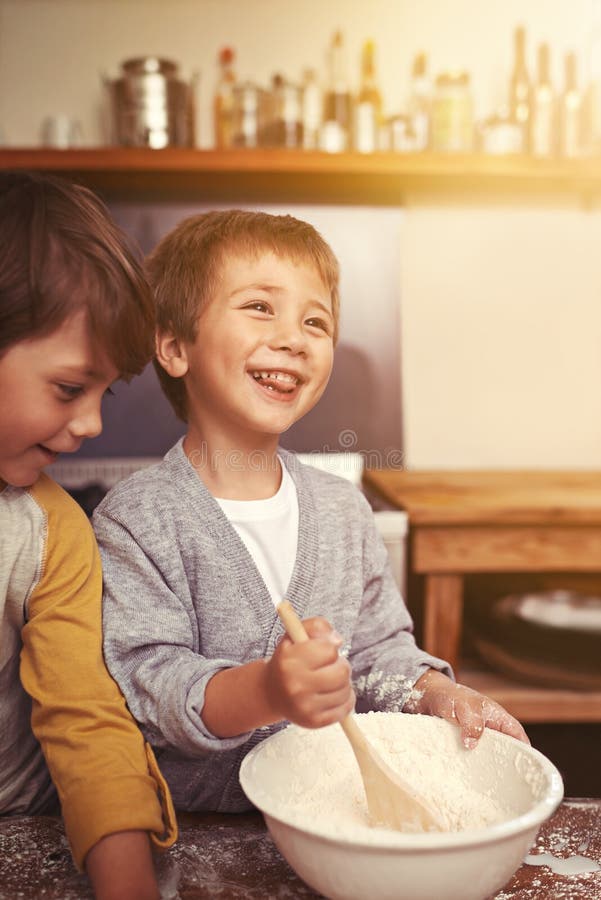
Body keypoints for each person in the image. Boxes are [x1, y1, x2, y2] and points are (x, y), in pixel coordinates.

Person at [94, 209, 528, 816]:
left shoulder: (343, 511)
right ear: (173, 346)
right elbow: (150, 685)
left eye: (316, 321)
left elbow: (378, 656)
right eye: (259, 308)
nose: (294, 338)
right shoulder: (137, 521)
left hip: (337, 814)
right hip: (203, 835)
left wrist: (432, 691)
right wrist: (267, 689)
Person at [0, 172, 177, 900]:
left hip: (21, 830)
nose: (92, 424)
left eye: (105, 393)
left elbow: (87, 723)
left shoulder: (52, 535)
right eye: (71, 389)